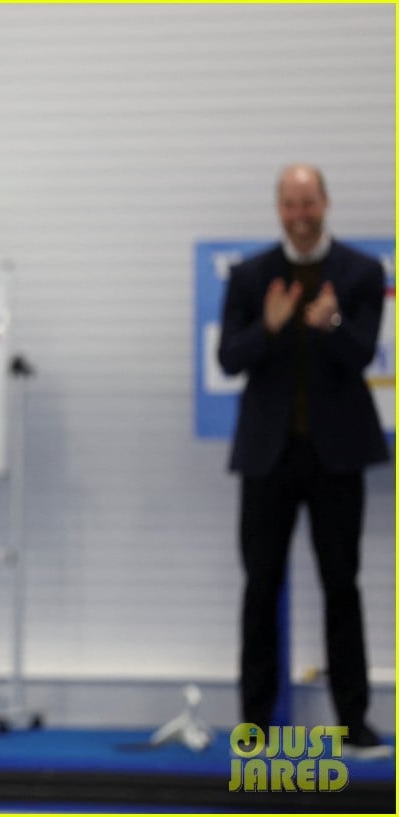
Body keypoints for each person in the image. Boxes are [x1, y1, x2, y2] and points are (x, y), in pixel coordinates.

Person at [217, 163, 390, 755]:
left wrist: (331, 323)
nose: (300, 214)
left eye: (309, 202)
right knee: (260, 587)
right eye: (290, 204)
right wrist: (268, 329)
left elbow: (364, 352)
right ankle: (257, 723)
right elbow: (230, 359)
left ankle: (355, 721)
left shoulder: (362, 273)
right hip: (267, 458)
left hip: (337, 456)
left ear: (326, 202)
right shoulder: (250, 276)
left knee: (342, 585)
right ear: (278, 208)